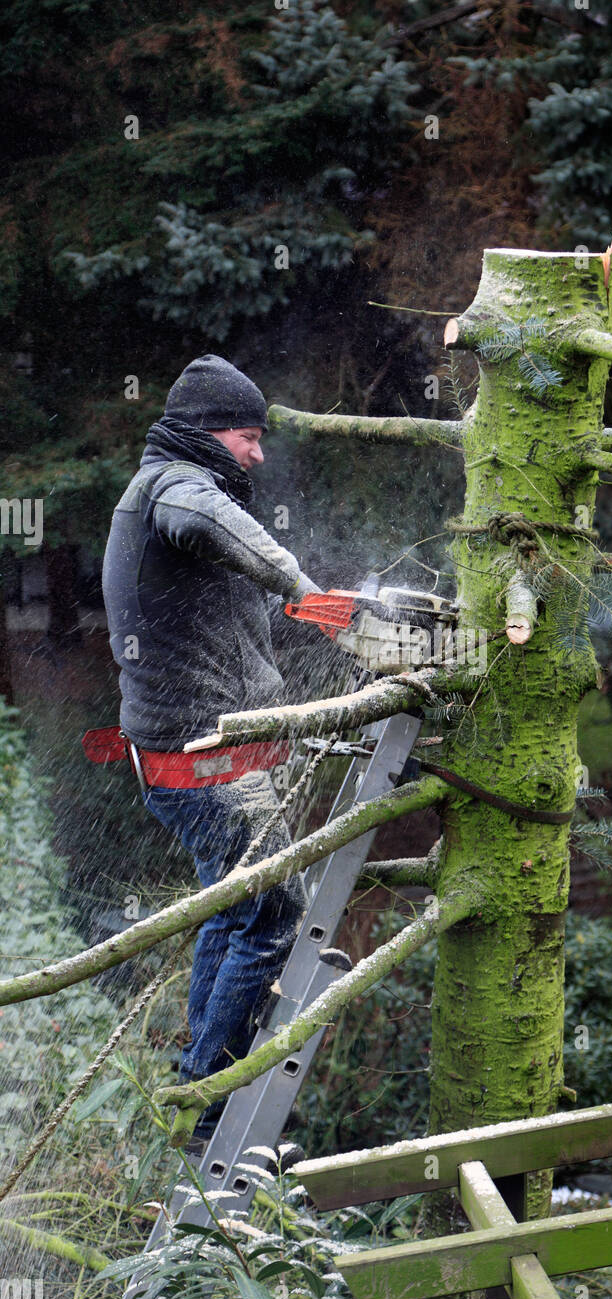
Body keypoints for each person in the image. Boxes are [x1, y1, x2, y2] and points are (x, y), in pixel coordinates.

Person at [102, 354, 321, 1148]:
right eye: (245, 435)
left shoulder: (170, 487)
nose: (258, 452)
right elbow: (204, 519)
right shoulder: (174, 489)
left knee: (231, 912)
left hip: (190, 755)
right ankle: (214, 1101)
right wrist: (304, 588)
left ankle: (198, 1078)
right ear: (202, 433)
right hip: (204, 764)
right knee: (273, 914)